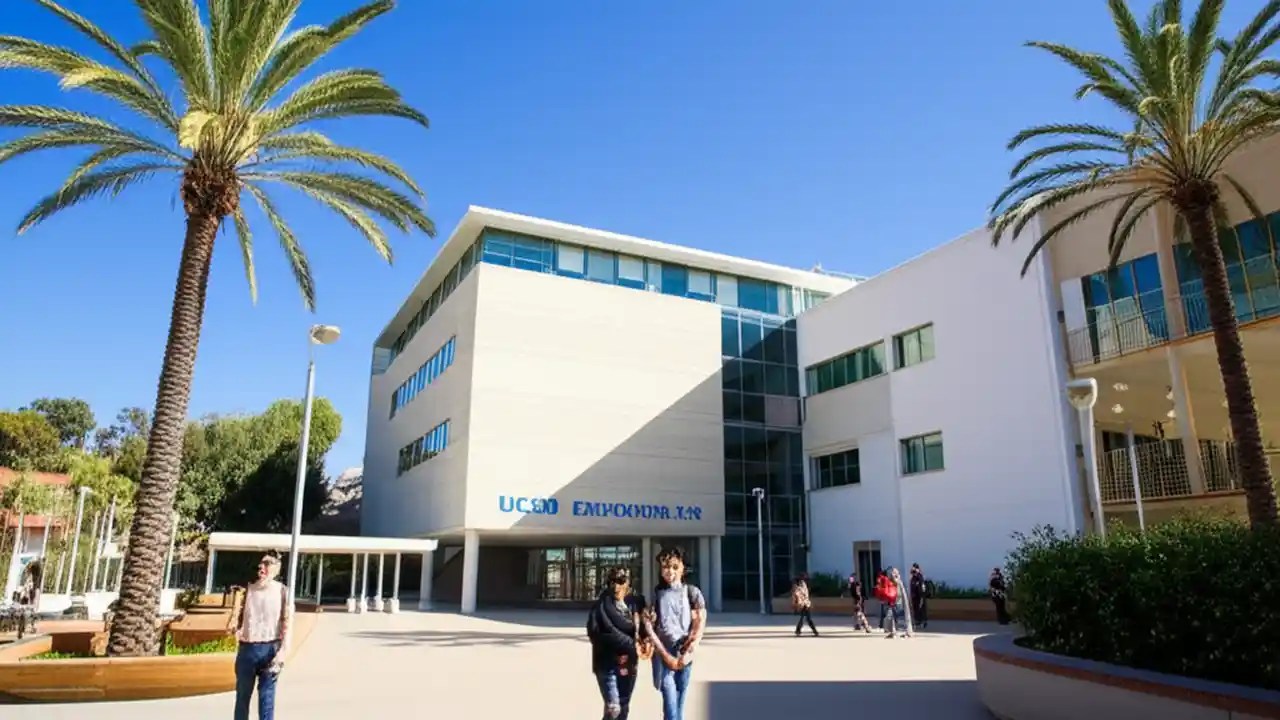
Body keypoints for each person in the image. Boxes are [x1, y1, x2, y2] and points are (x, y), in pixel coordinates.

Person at [644, 546, 706, 720]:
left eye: (674, 567)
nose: (669, 571)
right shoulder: (657, 594)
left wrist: (692, 645)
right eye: (665, 567)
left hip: (684, 653)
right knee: (669, 697)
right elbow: (650, 623)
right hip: (663, 654)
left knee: (679, 699)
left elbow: (700, 622)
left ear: (682, 568)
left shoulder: (692, 593)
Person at [233, 552, 293, 720]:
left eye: (267, 563)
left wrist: (282, 653)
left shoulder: (282, 591)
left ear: (276, 568)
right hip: (248, 649)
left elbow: (287, 623)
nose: (262, 567)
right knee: (242, 698)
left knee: (266, 700)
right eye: (260, 564)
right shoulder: (247, 589)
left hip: (270, 649)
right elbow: (236, 618)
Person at [586, 566, 647, 720]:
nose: (616, 586)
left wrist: (645, 641)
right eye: (612, 581)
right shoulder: (600, 606)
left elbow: (644, 630)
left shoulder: (637, 603)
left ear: (628, 582)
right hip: (606, 663)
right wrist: (629, 643)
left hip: (628, 664)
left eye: (620, 581)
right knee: (614, 708)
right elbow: (596, 633)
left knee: (624, 707)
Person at [883, 567, 913, 639]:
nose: (892, 574)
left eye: (895, 572)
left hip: (898, 602)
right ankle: (893, 632)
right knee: (890, 617)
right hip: (891, 602)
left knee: (900, 618)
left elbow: (901, 593)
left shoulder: (898, 581)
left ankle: (906, 632)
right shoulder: (889, 581)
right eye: (892, 572)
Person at [909, 563, 929, 630]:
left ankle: (923, 621)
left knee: (921, 609)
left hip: (920, 596)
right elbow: (912, 585)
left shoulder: (920, 576)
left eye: (914, 568)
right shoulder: (913, 577)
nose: (913, 570)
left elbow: (922, 585)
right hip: (914, 596)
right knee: (915, 609)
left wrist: (918, 573)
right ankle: (917, 621)